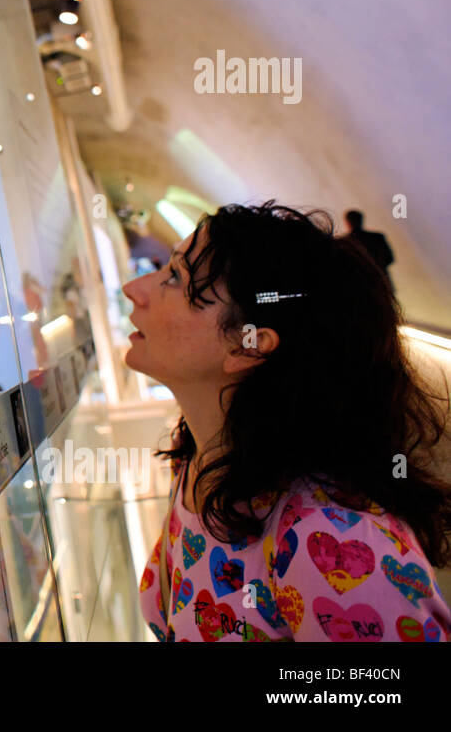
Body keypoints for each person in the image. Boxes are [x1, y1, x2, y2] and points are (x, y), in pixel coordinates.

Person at [125, 202, 450, 642]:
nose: (133, 289)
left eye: (174, 279)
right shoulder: (201, 461)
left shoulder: (334, 544)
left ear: (249, 346)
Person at [342, 209, 395, 288]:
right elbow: (389, 258)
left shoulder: (345, 242)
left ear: (347, 222)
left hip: (358, 285)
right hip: (380, 282)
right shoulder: (377, 237)